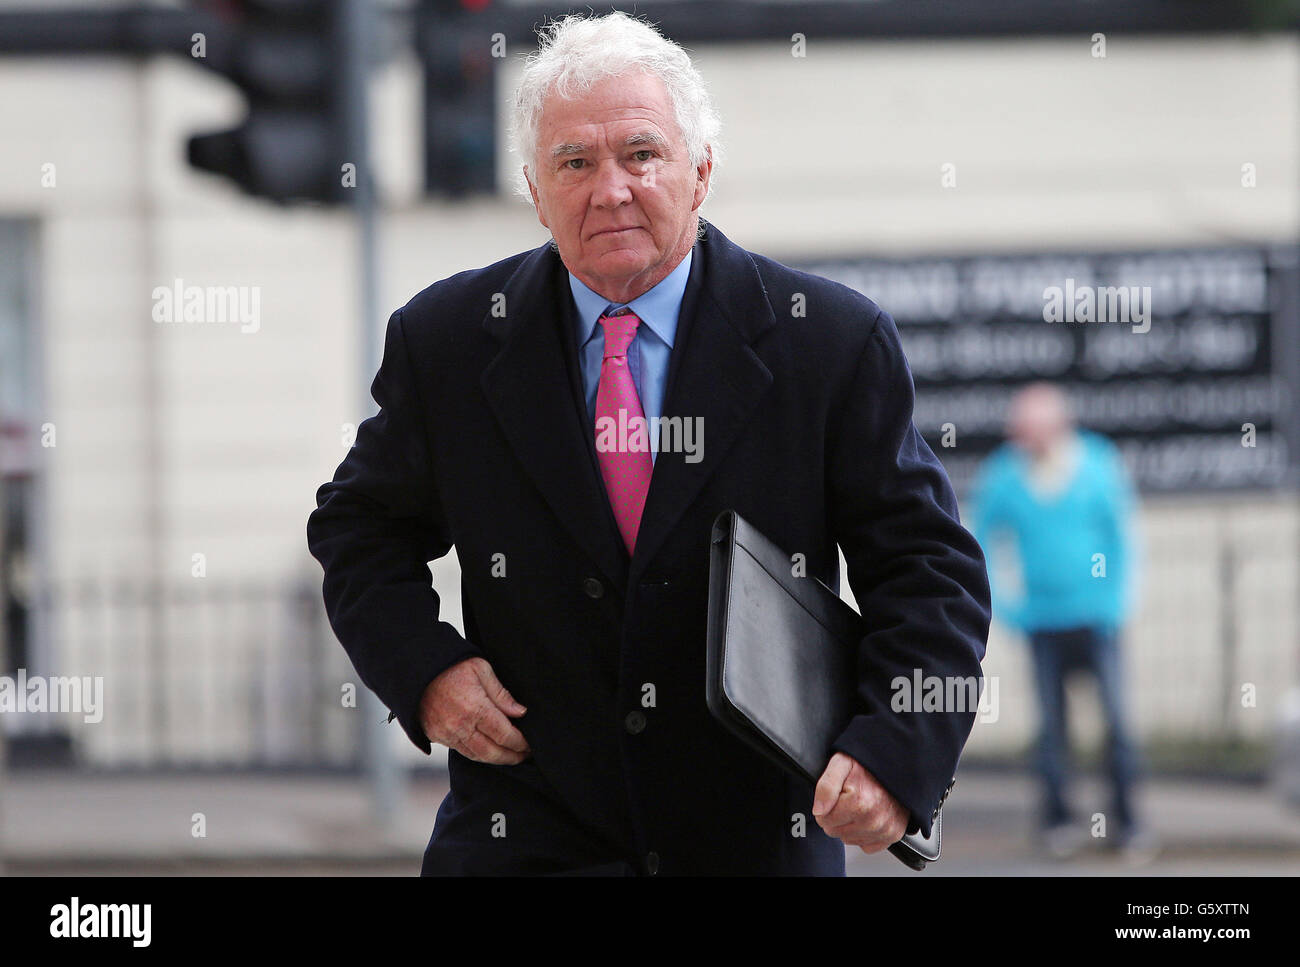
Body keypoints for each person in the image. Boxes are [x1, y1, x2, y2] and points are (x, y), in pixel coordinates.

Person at [307, 11, 990, 876]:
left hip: (750, 840)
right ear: (533, 185)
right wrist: (425, 671)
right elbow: (358, 530)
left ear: (701, 173)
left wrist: (894, 749)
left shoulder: (827, 343)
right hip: (527, 835)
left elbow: (930, 572)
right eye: (575, 163)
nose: (610, 188)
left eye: (641, 154)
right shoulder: (449, 340)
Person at [971, 382, 1151, 860]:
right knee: (1052, 730)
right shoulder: (1005, 475)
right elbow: (980, 541)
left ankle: (1129, 823)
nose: (1021, 436)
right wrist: (1006, 608)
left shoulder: (1096, 463)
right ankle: (1057, 820)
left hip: (1097, 620)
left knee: (1116, 723)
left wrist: (1116, 600)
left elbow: (1123, 536)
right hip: (1042, 623)